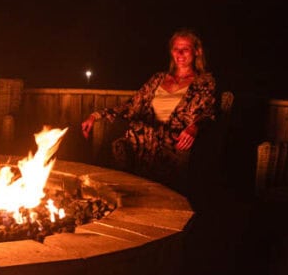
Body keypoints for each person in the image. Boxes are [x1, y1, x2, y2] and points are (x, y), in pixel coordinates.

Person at [80, 29, 218, 186]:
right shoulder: (158, 79)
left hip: (173, 138)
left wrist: (194, 127)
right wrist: (97, 115)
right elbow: (132, 104)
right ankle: (103, 184)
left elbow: (208, 112)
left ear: (197, 51)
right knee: (118, 130)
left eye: (185, 49)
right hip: (144, 131)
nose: (179, 53)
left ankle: (99, 179)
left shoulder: (204, 82)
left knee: (124, 132)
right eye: (175, 49)